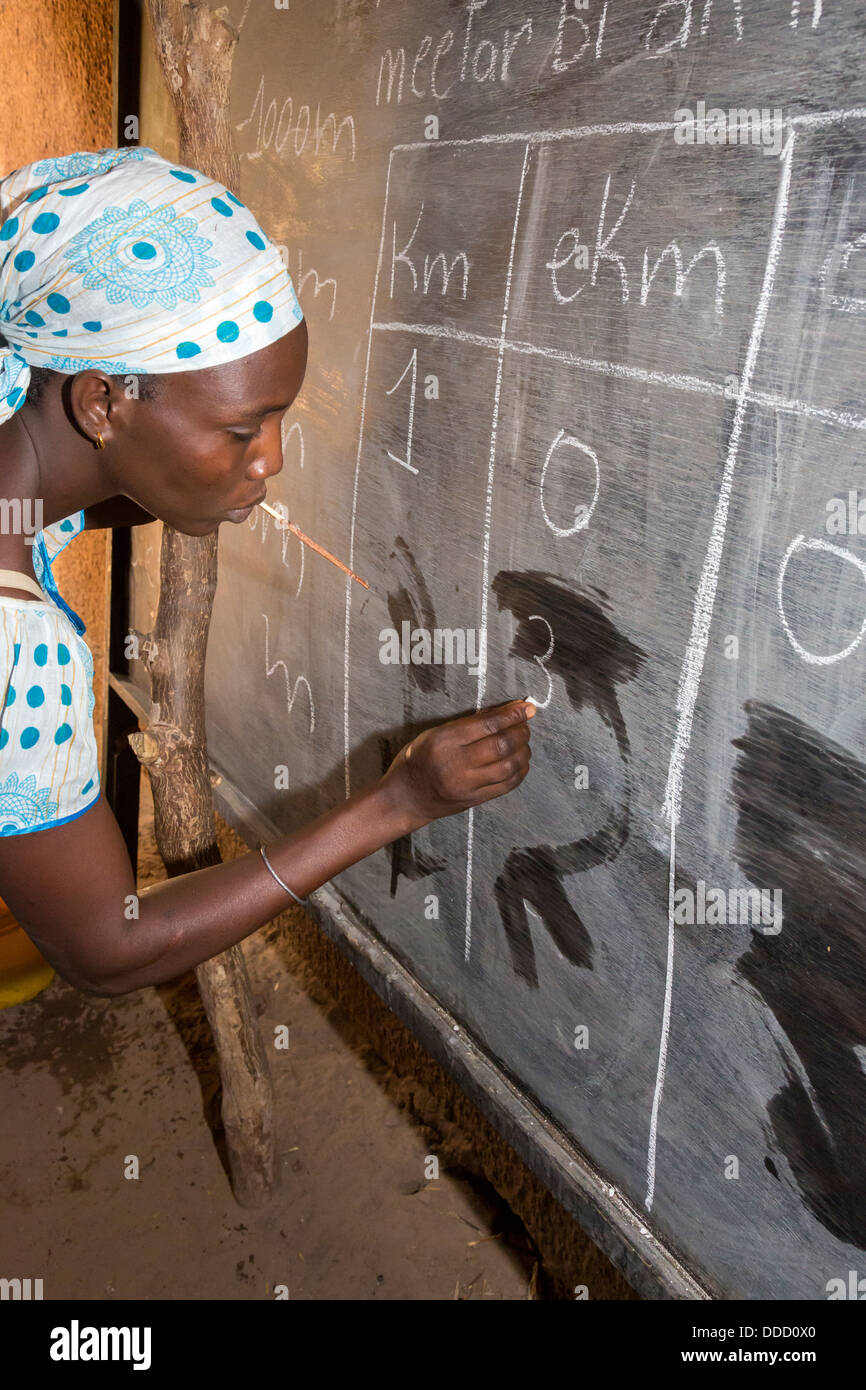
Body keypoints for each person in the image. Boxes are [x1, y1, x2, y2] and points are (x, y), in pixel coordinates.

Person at [0, 146, 534, 997]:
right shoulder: (19, 651)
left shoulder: (18, 411)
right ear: (104, 402)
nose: (270, 462)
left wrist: (194, 487)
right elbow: (110, 948)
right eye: (243, 432)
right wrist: (400, 804)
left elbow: (55, 503)